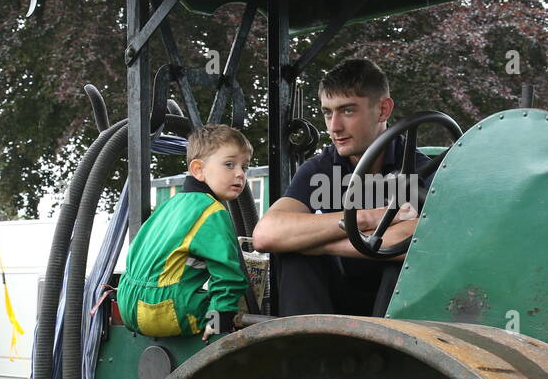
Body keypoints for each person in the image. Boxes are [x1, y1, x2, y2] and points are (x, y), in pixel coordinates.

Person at [252, 58, 422, 317]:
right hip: (331, 306)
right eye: (328, 112)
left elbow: (419, 243)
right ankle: (312, 349)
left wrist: (315, 242)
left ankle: (386, 352)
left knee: (401, 265)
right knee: (295, 258)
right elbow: (266, 234)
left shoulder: (419, 168)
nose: (334, 127)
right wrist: (368, 218)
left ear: (383, 110)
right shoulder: (318, 169)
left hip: (401, 313)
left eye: (348, 111)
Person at [116, 124, 252, 340]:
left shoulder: (170, 205)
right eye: (229, 164)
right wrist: (220, 320)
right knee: (237, 304)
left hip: (126, 301)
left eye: (244, 167)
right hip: (161, 309)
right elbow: (227, 273)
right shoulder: (212, 211)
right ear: (198, 169)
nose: (239, 174)